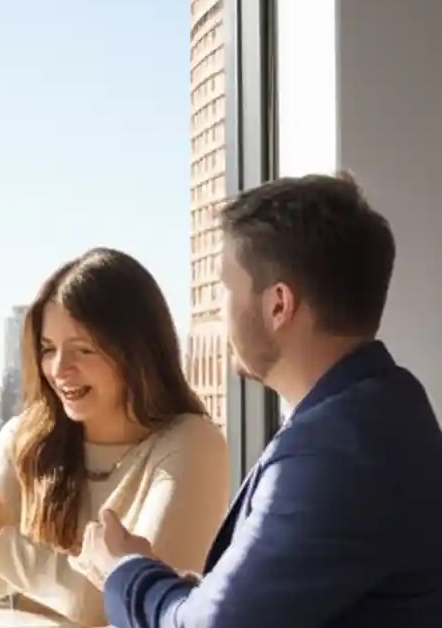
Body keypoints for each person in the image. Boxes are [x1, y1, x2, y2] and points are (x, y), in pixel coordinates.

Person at [81, 173, 442, 627]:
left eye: (224, 289)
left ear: (278, 305)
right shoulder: (383, 408)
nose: (217, 311)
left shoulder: (337, 446)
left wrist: (124, 571)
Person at [0, 247, 228, 626]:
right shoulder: (25, 438)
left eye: (83, 350)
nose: (59, 369)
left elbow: (130, 603)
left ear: (138, 353)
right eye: (48, 349)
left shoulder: (192, 444)